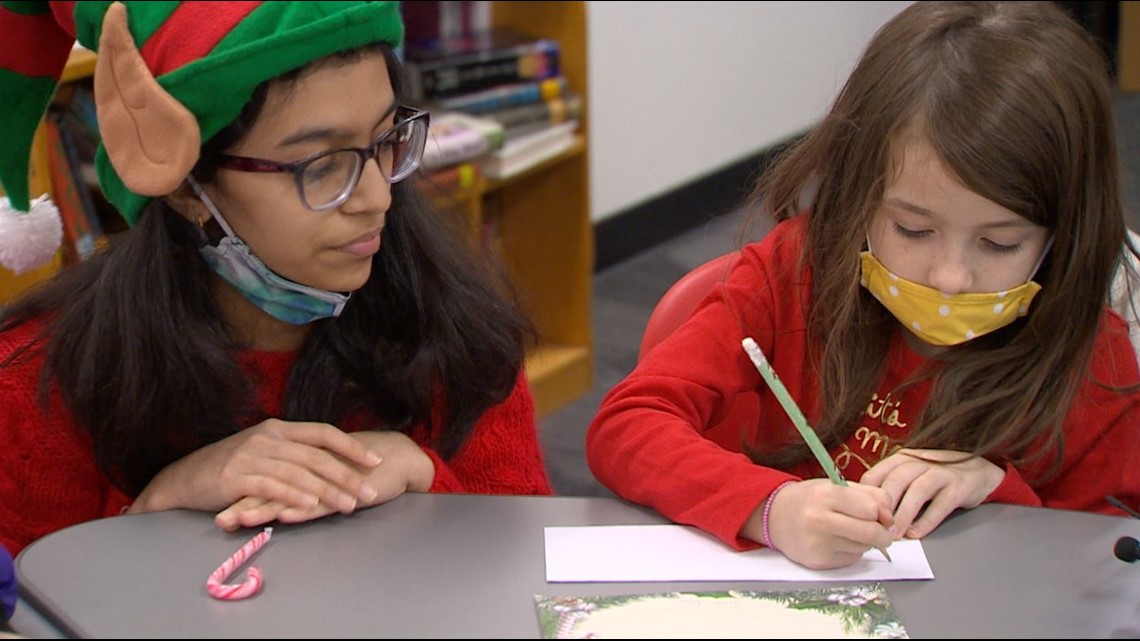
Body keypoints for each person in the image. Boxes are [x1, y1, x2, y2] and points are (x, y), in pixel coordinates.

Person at [586, 0, 1140, 571]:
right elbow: (626, 427)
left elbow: (1107, 561)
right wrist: (769, 508)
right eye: (913, 229)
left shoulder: (1095, 360)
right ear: (857, 192)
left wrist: (995, 487)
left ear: (1063, 233)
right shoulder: (795, 274)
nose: (950, 276)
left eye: (1000, 244)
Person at [0, 1, 552, 558]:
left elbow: (527, 570)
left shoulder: (457, 335)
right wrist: (153, 512)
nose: (377, 197)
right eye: (320, 164)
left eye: (386, 141)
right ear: (187, 187)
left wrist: (426, 479)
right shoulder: (41, 384)